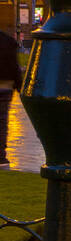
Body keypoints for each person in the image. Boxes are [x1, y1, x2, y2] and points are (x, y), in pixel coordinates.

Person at [0, 27, 22, 169]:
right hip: (5, 87)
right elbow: (15, 67)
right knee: (2, 122)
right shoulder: (8, 42)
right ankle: (1, 156)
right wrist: (20, 86)